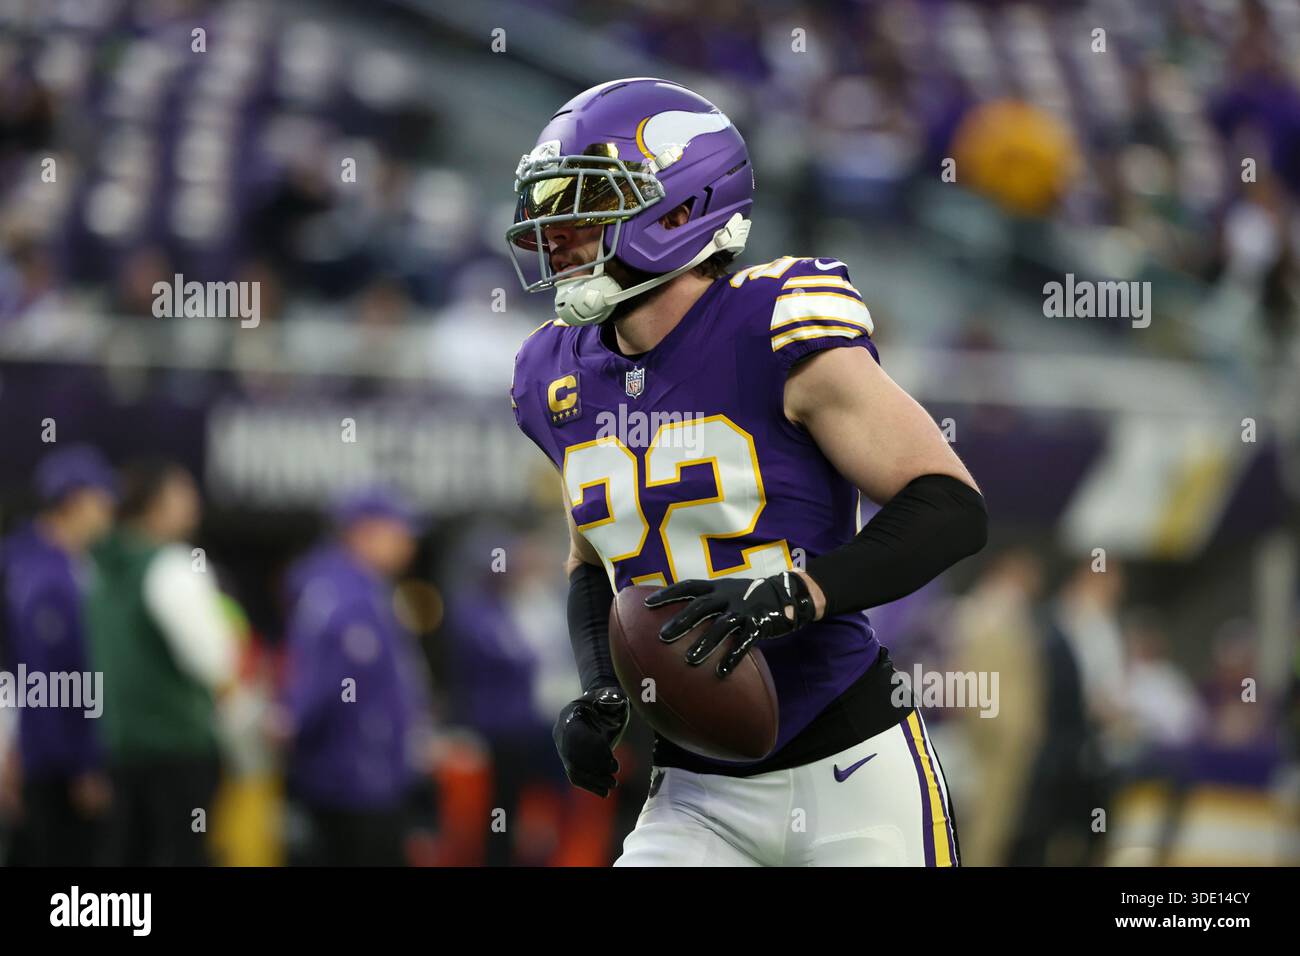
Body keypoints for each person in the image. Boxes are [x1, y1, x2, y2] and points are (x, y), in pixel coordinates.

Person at [507, 79, 988, 866]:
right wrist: (600, 687)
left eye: (585, 201)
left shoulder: (774, 323)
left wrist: (801, 593)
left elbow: (950, 506)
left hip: (852, 767)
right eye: (550, 205)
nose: (553, 232)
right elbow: (588, 562)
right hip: (696, 793)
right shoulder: (553, 378)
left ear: (678, 206)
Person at [87, 460, 237, 866]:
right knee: (182, 853)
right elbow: (215, 659)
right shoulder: (172, 566)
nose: (195, 505)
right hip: (180, 746)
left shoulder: (96, 568)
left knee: (127, 854)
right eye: (184, 494)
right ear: (156, 504)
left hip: (120, 746)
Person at [275, 488, 432, 866]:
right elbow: (316, 683)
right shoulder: (335, 591)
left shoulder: (370, 588)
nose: (408, 543)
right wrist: (293, 724)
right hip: (347, 779)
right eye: (398, 532)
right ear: (363, 531)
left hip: (378, 776)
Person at [0, 445, 116, 865]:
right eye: (102, 498)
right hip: (48, 765)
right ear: (74, 500)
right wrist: (80, 765)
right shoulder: (40, 573)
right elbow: (47, 679)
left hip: (38, 754)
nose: (109, 510)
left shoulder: (72, 565)